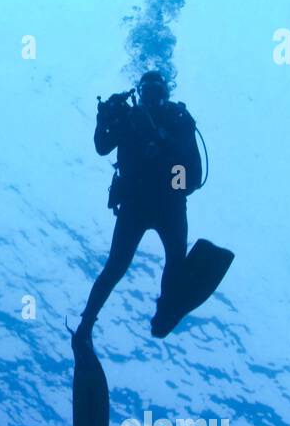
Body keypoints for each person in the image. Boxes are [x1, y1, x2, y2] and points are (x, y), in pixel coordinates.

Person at [75, 68, 202, 340]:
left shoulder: (179, 118)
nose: (152, 96)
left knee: (172, 263)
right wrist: (103, 118)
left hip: (170, 203)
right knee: (116, 266)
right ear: (140, 92)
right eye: (147, 90)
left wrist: (161, 141)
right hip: (136, 203)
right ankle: (85, 326)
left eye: (158, 90)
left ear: (166, 93)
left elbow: (194, 173)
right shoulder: (129, 116)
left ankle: (165, 313)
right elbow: (102, 146)